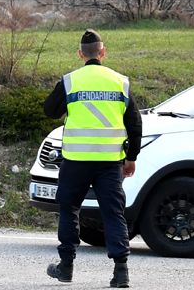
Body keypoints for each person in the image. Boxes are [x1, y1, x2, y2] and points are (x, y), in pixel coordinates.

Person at [42, 29, 142, 288]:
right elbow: (135, 123)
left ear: (80, 54)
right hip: (110, 162)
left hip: (75, 161)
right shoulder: (120, 82)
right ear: (103, 52)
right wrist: (131, 157)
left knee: (69, 210)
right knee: (113, 213)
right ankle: (121, 272)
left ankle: (66, 267)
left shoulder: (70, 82)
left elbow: (49, 111)